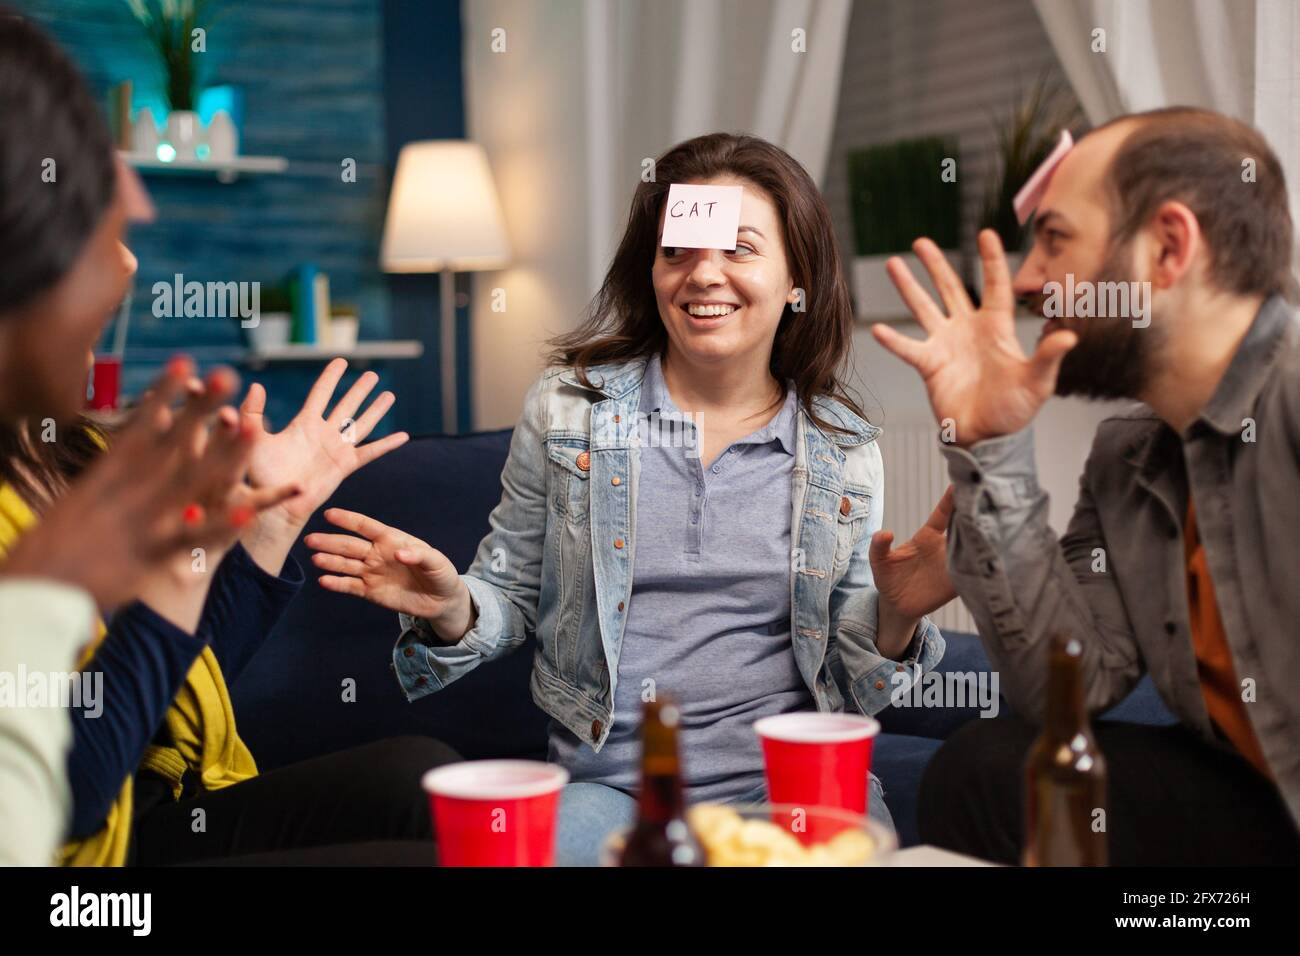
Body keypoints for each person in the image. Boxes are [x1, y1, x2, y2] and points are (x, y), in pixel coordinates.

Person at [307, 132, 955, 865]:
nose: (702, 275)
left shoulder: (843, 446)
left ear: (798, 278)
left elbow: (852, 677)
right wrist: (452, 604)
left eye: (738, 248)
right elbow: (510, 594)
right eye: (678, 250)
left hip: (789, 788)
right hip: (610, 786)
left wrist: (898, 613)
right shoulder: (567, 411)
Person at [0, 11, 459, 865]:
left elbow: (168, 687)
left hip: (156, 813)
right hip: (79, 864)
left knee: (422, 783)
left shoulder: (70, 455)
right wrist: (174, 567)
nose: (131, 261)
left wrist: (262, 531)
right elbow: (55, 804)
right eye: (88, 222)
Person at [873, 107, 1300, 865]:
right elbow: (1070, 682)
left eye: (1055, 239)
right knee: (985, 771)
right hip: (1255, 788)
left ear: (1169, 247)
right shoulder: (1127, 456)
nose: (1031, 280)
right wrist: (989, 447)